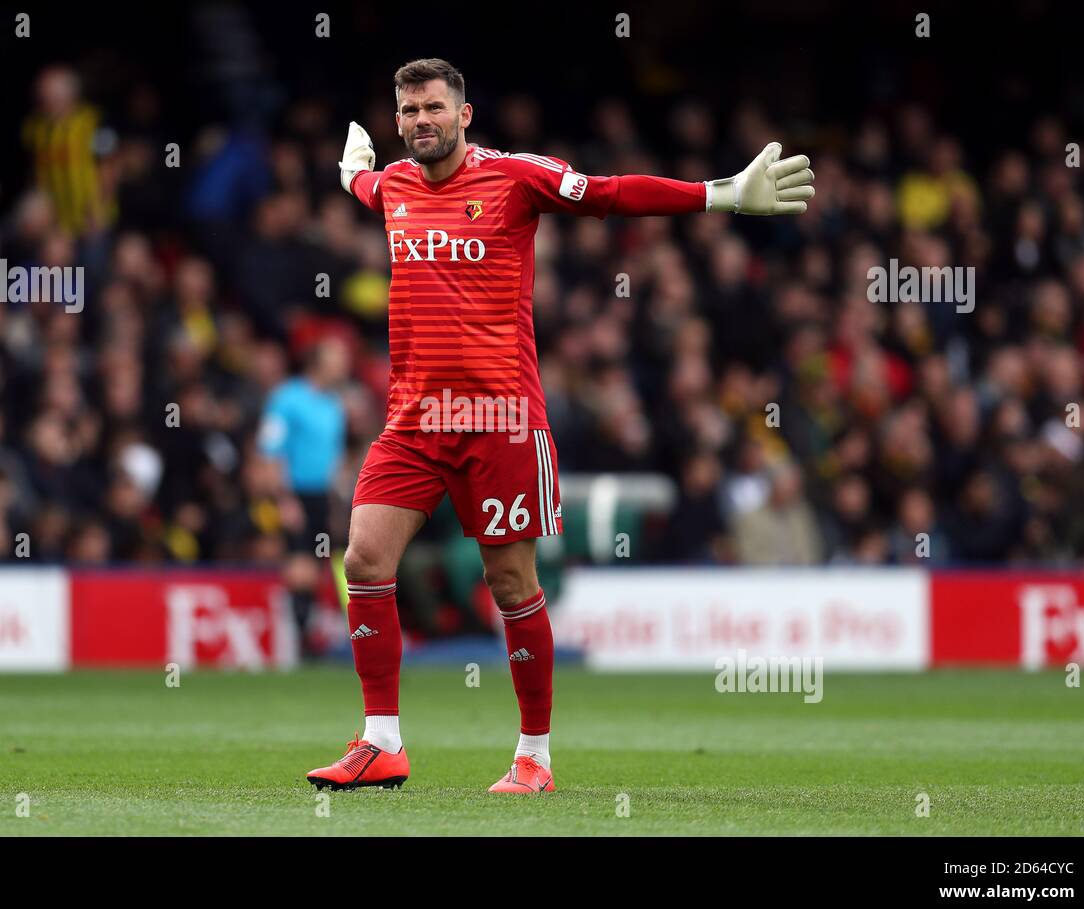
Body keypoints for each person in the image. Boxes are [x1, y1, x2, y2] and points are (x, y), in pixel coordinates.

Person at [296, 56, 816, 793]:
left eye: (433, 108)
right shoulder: (395, 187)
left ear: (464, 114)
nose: (420, 122)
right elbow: (367, 185)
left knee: (510, 582)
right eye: (408, 112)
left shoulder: (513, 176)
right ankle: (382, 741)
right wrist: (350, 174)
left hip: (502, 419)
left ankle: (533, 756)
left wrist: (723, 193)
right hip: (413, 421)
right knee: (364, 562)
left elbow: (610, 194)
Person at [257, 337, 349, 657]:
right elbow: (270, 452)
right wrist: (283, 499)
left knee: (329, 565)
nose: (344, 362)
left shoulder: (334, 404)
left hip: (324, 496)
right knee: (300, 566)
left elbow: (334, 458)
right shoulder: (286, 399)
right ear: (317, 361)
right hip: (295, 493)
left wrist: (339, 499)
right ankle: (299, 644)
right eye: (336, 355)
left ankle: (336, 635)